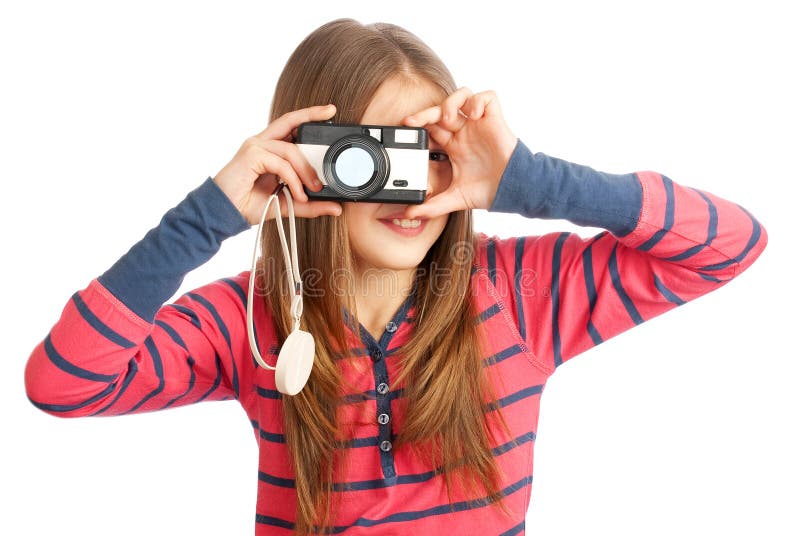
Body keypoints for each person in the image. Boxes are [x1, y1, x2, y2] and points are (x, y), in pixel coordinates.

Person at [23, 17, 767, 536]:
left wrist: (536, 183)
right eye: (366, 156)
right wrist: (208, 216)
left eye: (427, 154)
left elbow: (732, 243)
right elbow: (64, 383)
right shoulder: (250, 322)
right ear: (305, 160)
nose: (402, 191)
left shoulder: (521, 296)